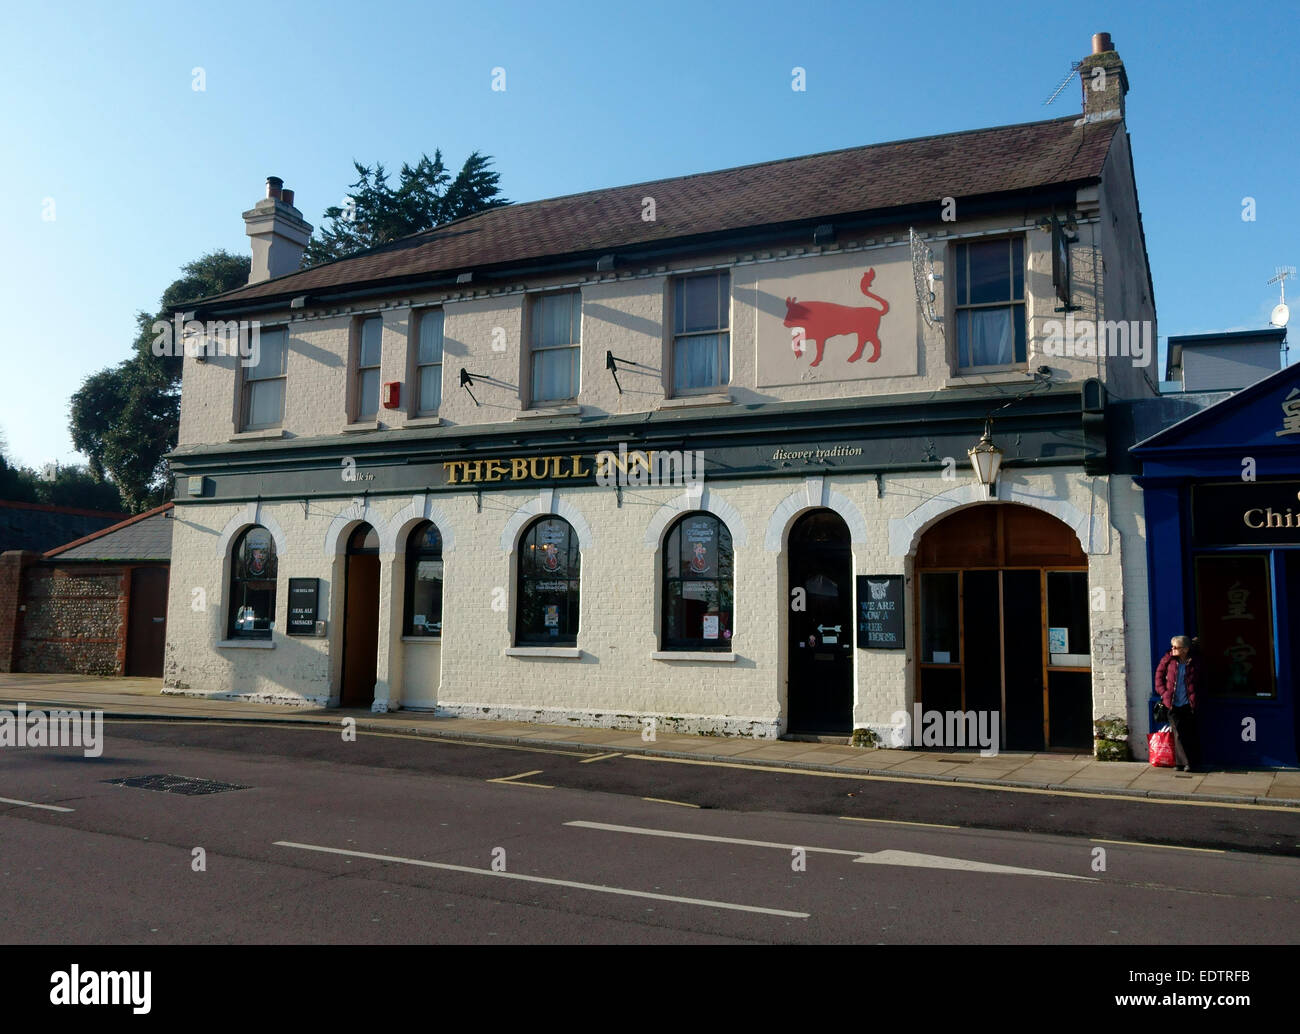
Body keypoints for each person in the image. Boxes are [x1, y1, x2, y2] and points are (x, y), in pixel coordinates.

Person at [1154, 635, 1203, 772]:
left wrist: (1198, 696)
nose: (1172, 649)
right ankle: (1186, 763)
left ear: (1185, 649)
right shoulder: (1168, 660)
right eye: (1172, 646)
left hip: (1189, 704)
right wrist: (1163, 693)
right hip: (1172, 703)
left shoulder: (1195, 662)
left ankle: (1181, 763)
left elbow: (1202, 680)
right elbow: (1159, 675)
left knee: (1189, 733)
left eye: (1176, 647)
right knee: (1178, 733)